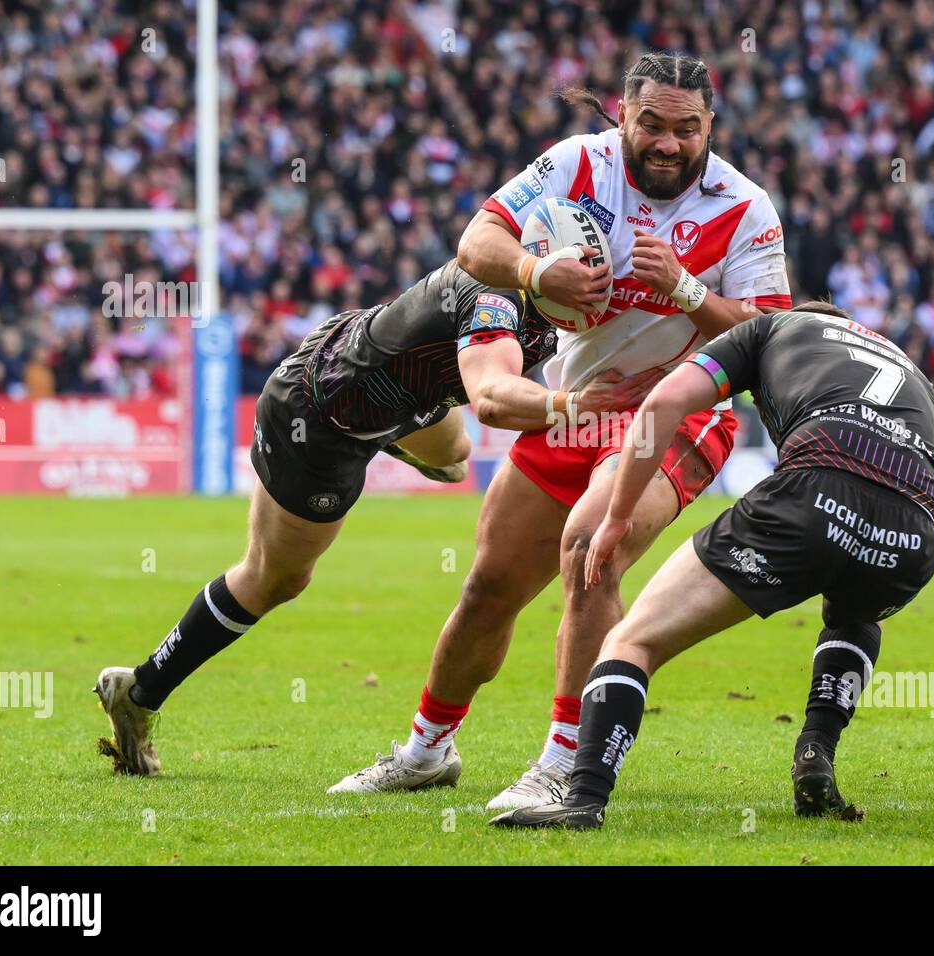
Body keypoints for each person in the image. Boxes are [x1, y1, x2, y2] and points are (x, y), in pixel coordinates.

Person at [327, 52, 792, 806]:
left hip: (676, 413)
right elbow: (478, 241)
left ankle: (565, 765)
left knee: (589, 550)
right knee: (488, 587)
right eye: (652, 124)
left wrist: (687, 289)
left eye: (687, 128)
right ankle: (426, 749)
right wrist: (537, 275)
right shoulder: (577, 164)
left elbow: (771, 336)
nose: (668, 143)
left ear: (710, 127)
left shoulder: (745, 207)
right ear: (621, 115)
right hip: (579, 406)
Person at [93, 259, 658, 776]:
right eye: (588, 279)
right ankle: (141, 690)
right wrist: (578, 407)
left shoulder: (552, 300)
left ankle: (390, 426)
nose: (597, 293)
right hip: (319, 418)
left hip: (395, 389)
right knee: (275, 577)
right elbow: (493, 397)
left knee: (457, 459)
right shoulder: (496, 298)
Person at [489, 301, 934, 829]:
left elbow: (664, 404)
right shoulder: (904, 363)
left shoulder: (769, 329)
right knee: (856, 606)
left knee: (632, 641)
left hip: (814, 491)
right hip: (910, 535)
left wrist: (616, 517)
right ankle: (816, 752)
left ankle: (582, 800)